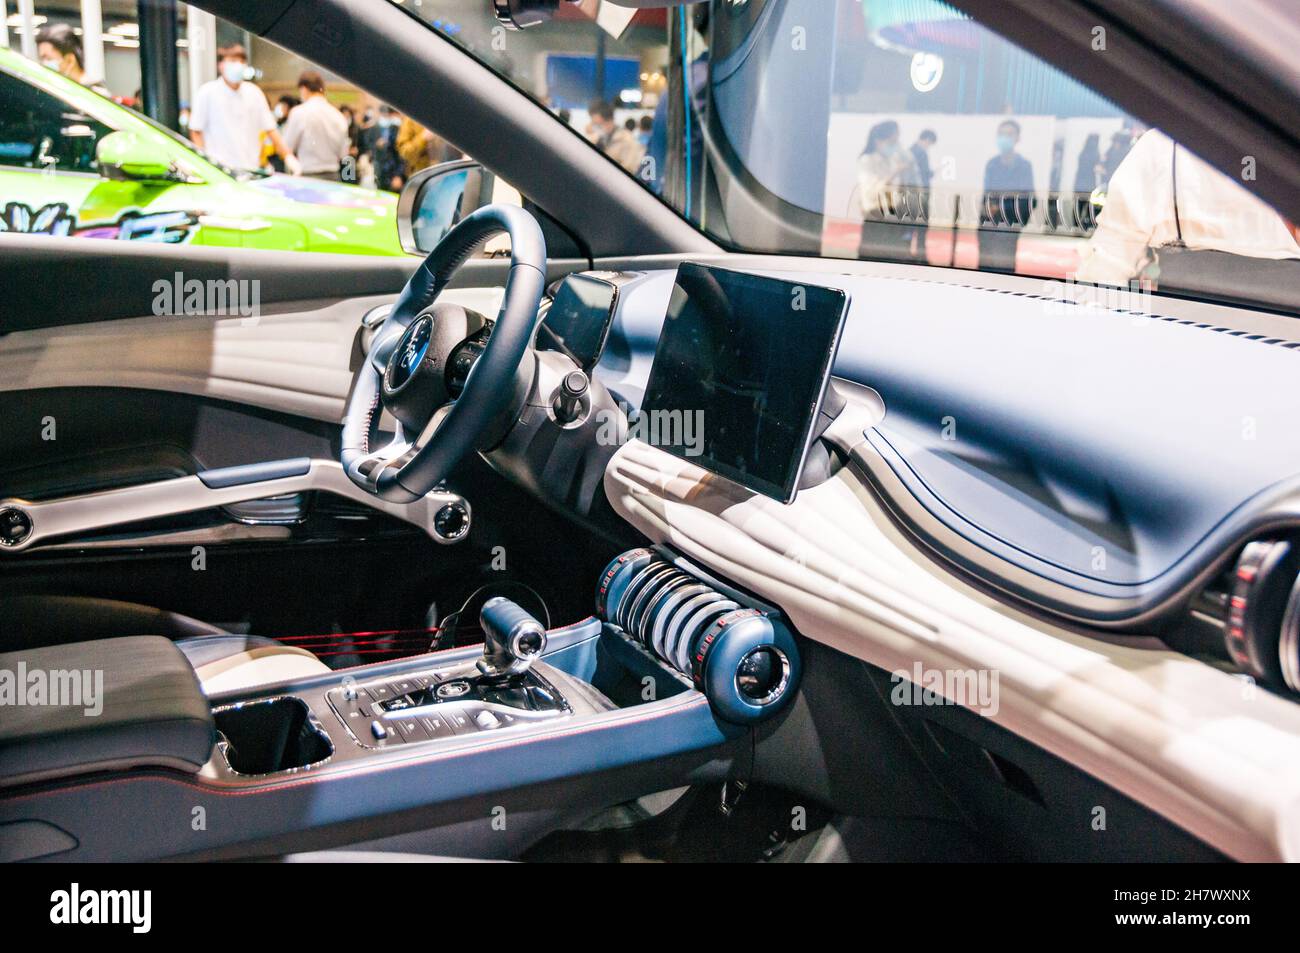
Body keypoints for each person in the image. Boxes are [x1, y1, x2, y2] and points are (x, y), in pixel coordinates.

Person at [1075, 128, 1300, 296]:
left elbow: (1106, 269)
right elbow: (1107, 269)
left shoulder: (1162, 150)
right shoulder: (1162, 151)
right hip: (1192, 317)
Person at [190, 44, 300, 175]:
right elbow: (196, 131)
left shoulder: (254, 92)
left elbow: (271, 129)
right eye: (232, 61)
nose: (238, 65)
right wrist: (205, 163)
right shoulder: (207, 92)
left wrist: (288, 157)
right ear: (221, 65)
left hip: (252, 169)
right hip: (220, 171)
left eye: (242, 61)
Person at [978, 119, 1035, 272]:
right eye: (1001, 134)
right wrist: (987, 211)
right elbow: (986, 195)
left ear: (1017, 138)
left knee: (1005, 269)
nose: (1004, 138)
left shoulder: (1024, 166)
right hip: (988, 227)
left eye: (1009, 134)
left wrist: (1010, 215)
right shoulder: (992, 164)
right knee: (984, 268)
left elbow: (1029, 200)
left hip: (1009, 226)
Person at [856, 120, 916, 261]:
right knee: (872, 261)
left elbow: (909, 166)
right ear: (878, 140)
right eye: (891, 142)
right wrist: (895, 172)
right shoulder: (867, 160)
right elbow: (872, 191)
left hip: (892, 216)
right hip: (875, 217)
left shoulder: (890, 159)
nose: (894, 145)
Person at [280, 71, 350, 181]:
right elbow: (344, 154)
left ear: (304, 88)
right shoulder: (338, 116)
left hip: (308, 175)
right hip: (333, 176)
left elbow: (286, 146)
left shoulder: (299, 112)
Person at [36, 23, 105, 92]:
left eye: (48, 58)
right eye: (42, 59)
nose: (44, 64)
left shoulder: (95, 93)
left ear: (70, 60)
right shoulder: (62, 91)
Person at [586, 99, 644, 174]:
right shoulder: (596, 138)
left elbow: (629, 169)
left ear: (603, 119)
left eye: (595, 121)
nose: (592, 124)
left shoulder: (626, 139)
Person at [907, 129, 936, 261]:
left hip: (912, 194)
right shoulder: (920, 152)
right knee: (921, 227)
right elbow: (923, 174)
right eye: (930, 143)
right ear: (927, 139)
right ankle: (920, 255)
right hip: (919, 194)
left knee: (911, 226)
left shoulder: (910, 150)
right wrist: (930, 173)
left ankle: (908, 253)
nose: (929, 146)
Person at [362, 106, 405, 192]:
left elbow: (400, 153)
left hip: (394, 167)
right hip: (379, 162)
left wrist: (398, 174)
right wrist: (376, 145)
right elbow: (368, 143)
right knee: (380, 186)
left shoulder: (397, 128)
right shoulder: (375, 127)